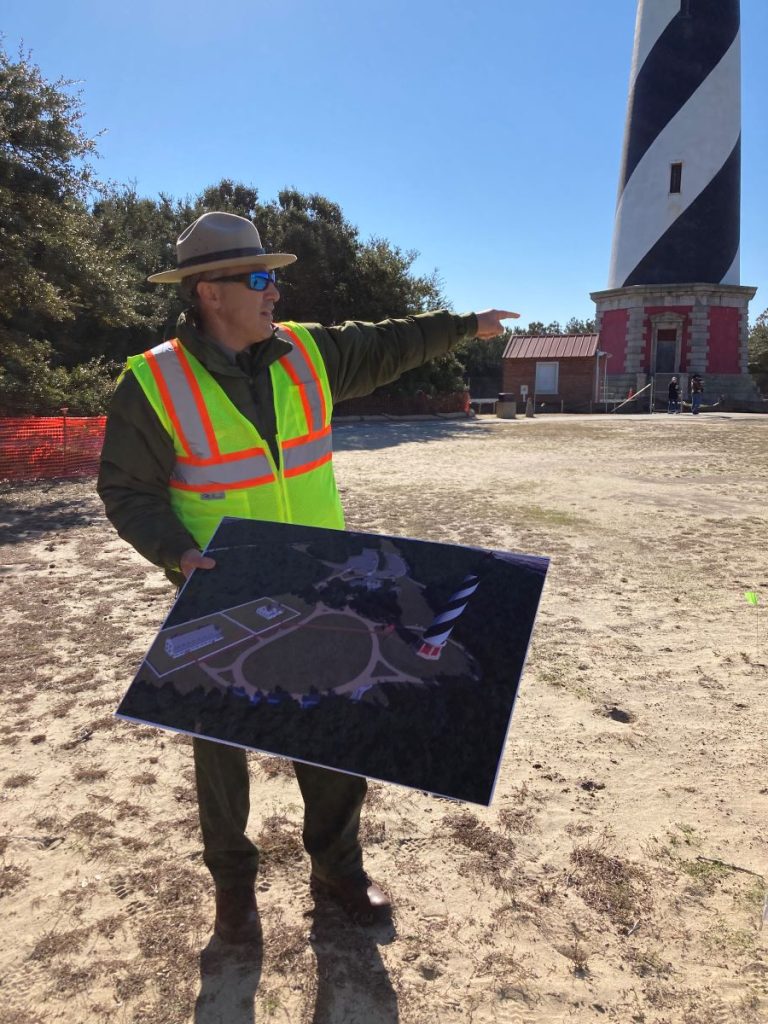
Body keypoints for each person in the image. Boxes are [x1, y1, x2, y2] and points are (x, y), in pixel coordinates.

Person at [98, 211, 519, 945]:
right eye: (258, 279)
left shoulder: (310, 353)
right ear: (208, 293)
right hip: (216, 588)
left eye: (275, 279)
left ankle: (339, 873)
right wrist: (176, 553)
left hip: (323, 582)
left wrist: (466, 325)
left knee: (332, 737)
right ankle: (234, 889)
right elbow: (127, 490)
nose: (273, 294)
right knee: (219, 748)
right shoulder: (152, 381)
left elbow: (390, 340)